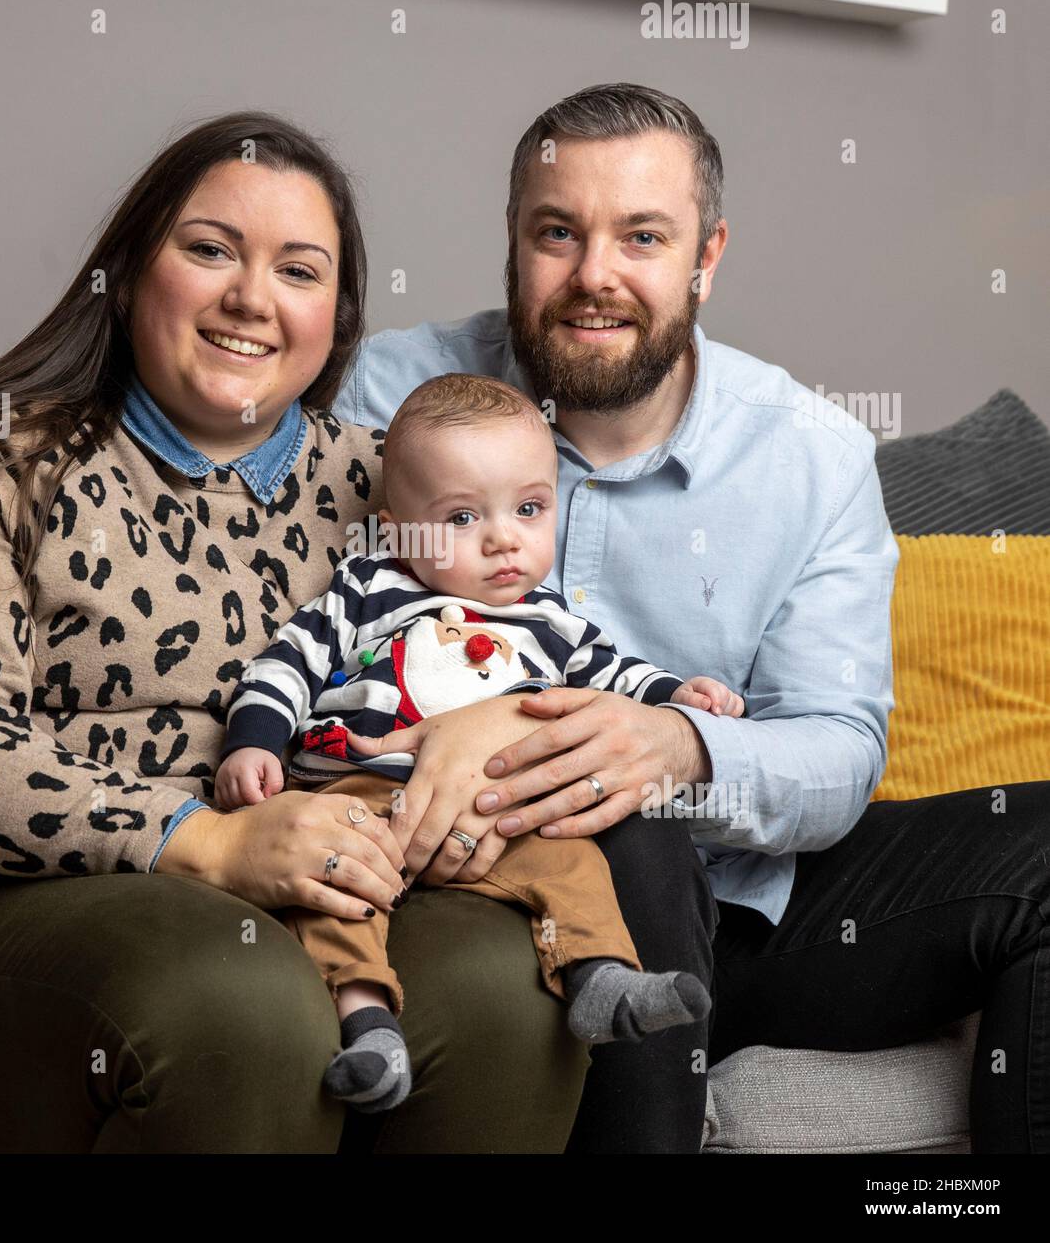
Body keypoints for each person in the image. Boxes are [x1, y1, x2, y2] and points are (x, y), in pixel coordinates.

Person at [0, 111, 593, 1153]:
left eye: (299, 270)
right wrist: (205, 839)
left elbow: (532, 630)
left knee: (506, 987)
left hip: (336, 880)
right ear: (130, 273)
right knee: (238, 996)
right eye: (210, 248)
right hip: (20, 899)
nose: (251, 299)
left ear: (337, 315)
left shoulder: (393, 478)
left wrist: (493, 723)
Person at [332, 81, 1050, 1154]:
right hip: (466, 892)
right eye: (557, 234)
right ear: (512, 244)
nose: (594, 277)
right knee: (631, 813)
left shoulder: (810, 456)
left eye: (642, 237)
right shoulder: (377, 399)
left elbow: (837, 747)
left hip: (746, 924)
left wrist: (683, 744)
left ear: (705, 258)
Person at [217, 373, 746, 1109]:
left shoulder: (550, 617)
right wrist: (256, 743)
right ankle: (367, 1025)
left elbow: (614, 674)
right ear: (400, 528)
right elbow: (287, 663)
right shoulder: (368, 587)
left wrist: (677, 695)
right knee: (333, 889)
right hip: (363, 792)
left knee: (575, 862)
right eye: (463, 517)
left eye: (530, 508)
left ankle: (597, 977)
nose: (505, 538)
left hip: (498, 808)